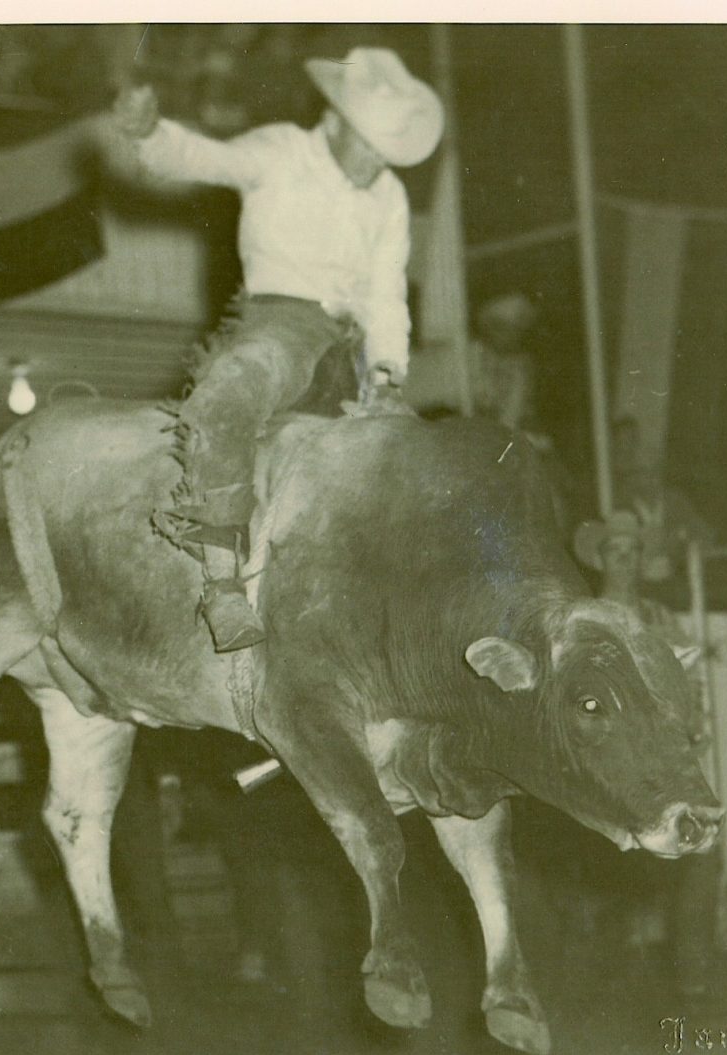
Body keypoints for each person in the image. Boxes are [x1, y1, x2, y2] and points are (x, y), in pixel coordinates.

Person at [114, 47, 443, 651]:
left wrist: (389, 373)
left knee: (415, 462)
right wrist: (148, 131)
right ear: (337, 122)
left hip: (348, 346)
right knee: (223, 403)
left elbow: (385, 291)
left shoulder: (388, 195)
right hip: (280, 325)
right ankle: (222, 586)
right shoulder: (280, 151)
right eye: (369, 146)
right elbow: (202, 157)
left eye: (386, 152)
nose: (376, 164)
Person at [573, 510, 718, 999]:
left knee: (701, 858)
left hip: (665, 767)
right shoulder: (583, 618)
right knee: (606, 867)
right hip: (607, 769)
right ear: (600, 559)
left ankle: (694, 980)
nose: (625, 561)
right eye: (615, 552)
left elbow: (688, 683)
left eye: (632, 552)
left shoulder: (660, 618)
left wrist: (693, 731)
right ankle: (603, 987)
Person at [609, 415, 715, 575]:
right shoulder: (621, 505)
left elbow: (704, 535)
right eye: (644, 473)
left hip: (676, 581)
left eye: (656, 471)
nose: (652, 479)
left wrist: (681, 539)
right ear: (632, 476)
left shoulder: (675, 500)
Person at [467, 291, 538, 433]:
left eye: (518, 330)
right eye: (502, 328)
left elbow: (512, 415)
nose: (512, 336)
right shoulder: (474, 354)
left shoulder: (520, 365)